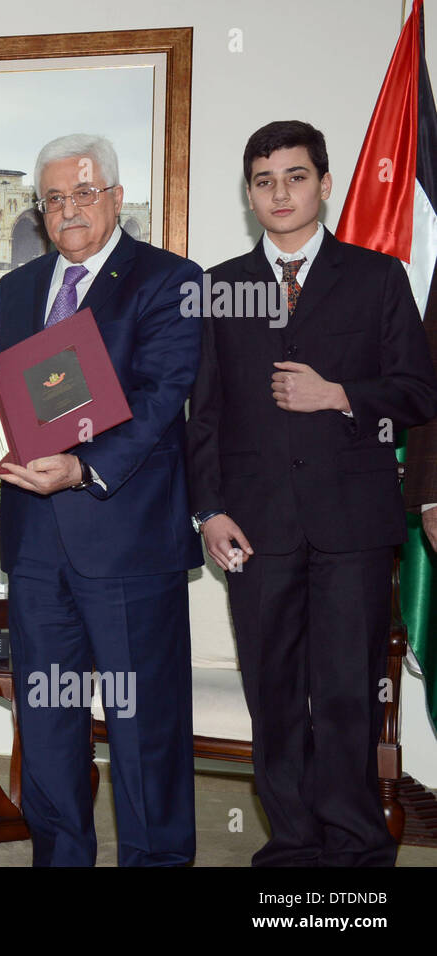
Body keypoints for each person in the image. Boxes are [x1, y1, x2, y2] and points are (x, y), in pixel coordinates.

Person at [186, 120, 437, 866]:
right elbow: (204, 411)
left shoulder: (377, 277)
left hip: (352, 529)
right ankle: (292, 846)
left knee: (346, 697)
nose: (279, 192)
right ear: (250, 194)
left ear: (323, 185)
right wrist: (208, 509)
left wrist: (339, 396)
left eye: (294, 176)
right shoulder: (221, 287)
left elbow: (419, 395)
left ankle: (358, 848)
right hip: (254, 529)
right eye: (263, 180)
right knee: (274, 694)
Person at [0, 133, 202, 866]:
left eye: (82, 193)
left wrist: (83, 470)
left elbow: (161, 396)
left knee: (144, 729)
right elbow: (20, 404)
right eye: (53, 199)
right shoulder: (18, 288)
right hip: (37, 547)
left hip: (128, 535)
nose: (68, 209)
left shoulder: (169, 279)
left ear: (114, 196)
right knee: (47, 723)